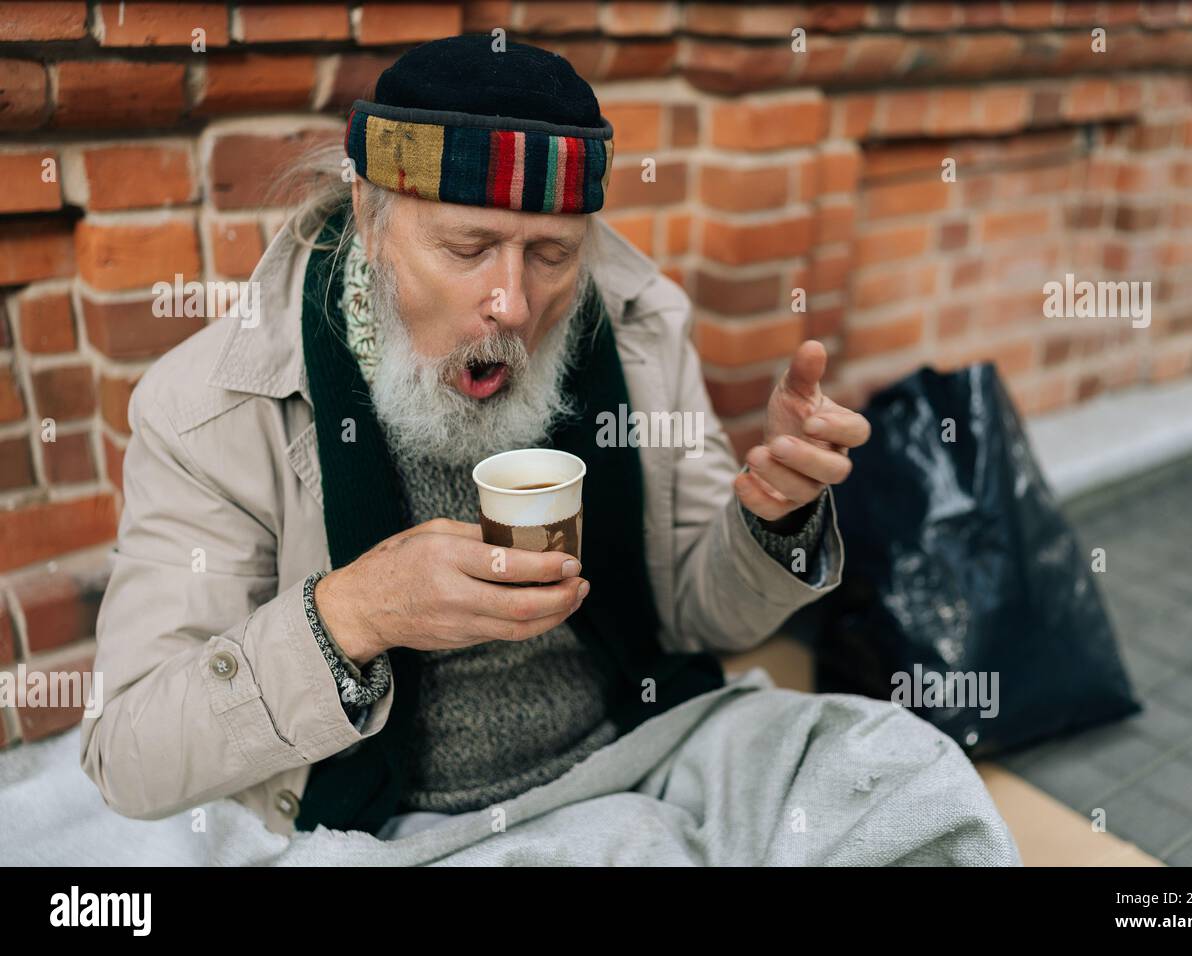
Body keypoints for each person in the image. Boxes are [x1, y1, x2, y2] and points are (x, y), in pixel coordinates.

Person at [81, 33, 1018, 865]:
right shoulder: (209, 404)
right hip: (402, 827)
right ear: (370, 218)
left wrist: (769, 525)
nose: (514, 306)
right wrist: (351, 615)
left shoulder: (639, 329)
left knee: (909, 774)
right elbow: (129, 753)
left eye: (551, 254)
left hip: (652, 746)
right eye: (468, 248)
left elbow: (704, 617)